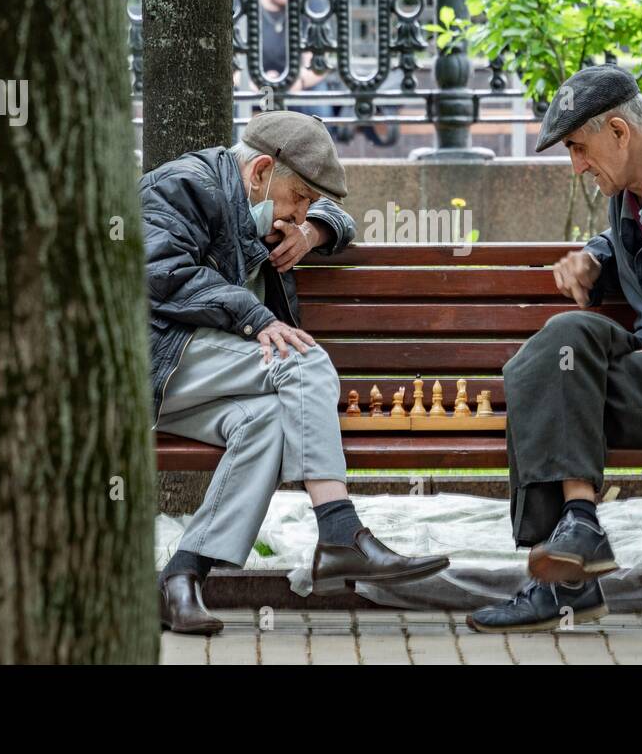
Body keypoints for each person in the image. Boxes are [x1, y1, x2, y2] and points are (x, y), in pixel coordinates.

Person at [142, 110, 449, 635]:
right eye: (300, 198)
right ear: (260, 170)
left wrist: (313, 229)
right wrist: (253, 313)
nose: (303, 209)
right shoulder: (183, 186)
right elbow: (155, 271)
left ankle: (182, 575)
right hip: (153, 359)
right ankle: (339, 531)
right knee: (303, 360)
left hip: (196, 377)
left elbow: (338, 214)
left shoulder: (268, 207)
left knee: (262, 422)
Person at [467, 66, 642, 633]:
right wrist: (595, 256)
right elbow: (630, 249)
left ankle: (565, 583)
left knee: (551, 378)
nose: (577, 167)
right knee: (556, 347)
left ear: (619, 131)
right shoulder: (628, 199)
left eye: (579, 149)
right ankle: (579, 525)